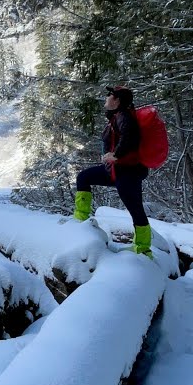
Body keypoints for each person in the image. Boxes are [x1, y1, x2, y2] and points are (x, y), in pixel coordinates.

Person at [73, 85, 152, 257]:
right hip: (115, 171)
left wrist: (115, 154)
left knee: (135, 209)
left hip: (127, 172)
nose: (106, 98)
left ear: (117, 101)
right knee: (83, 177)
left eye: (109, 96)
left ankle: (144, 249)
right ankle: (79, 221)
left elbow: (130, 137)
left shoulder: (123, 116)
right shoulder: (117, 116)